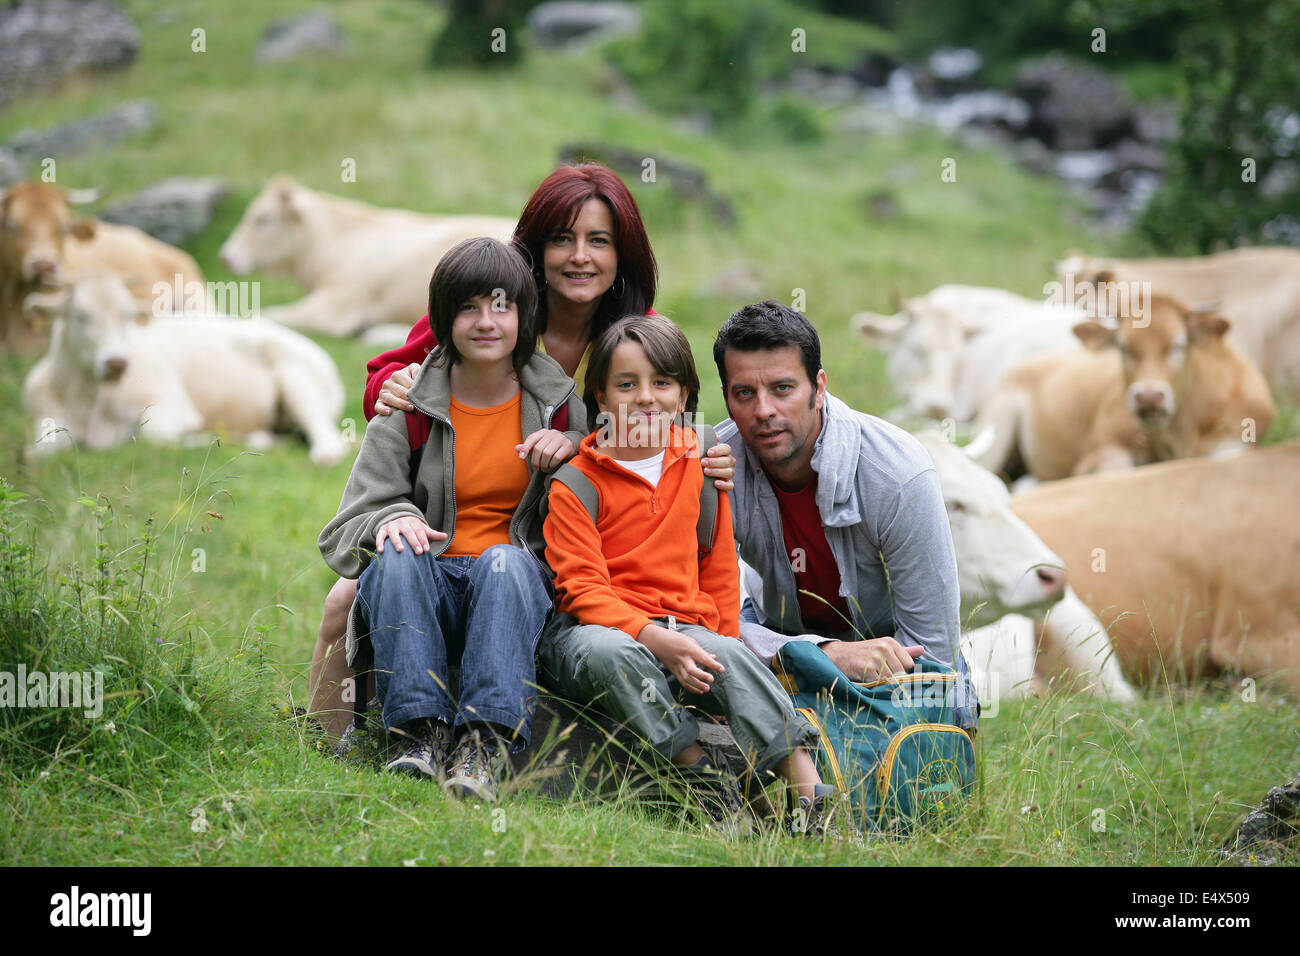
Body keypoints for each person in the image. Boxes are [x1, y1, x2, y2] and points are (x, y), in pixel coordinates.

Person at [309, 163, 736, 738]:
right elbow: (399, 372)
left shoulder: (635, 333)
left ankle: (484, 733)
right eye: (562, 239)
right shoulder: (495, 308)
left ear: (623, 254)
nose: (579, 257)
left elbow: (670, 420)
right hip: (451, 532)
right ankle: (334, 737)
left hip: (570, 542)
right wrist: (387, 391)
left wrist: (702, 451)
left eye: (599, 241)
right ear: (535, 248)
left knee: (511, 573)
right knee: (344, 597)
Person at [540, 314, 838, 834]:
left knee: (728, 652)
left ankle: (809, 793)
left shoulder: (702, 461)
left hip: (688, 627)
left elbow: (720, 570)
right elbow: (581, 590)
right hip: (594, 634)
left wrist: (715, 656)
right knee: (618, 653)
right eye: (626, 385)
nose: (645, 398)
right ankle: (698, 773)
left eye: (662, 383)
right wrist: (658, 640)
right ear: (601, 399)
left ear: (684, 395)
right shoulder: (576, 484)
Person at [318, 236, 588, 801]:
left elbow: (601, 491)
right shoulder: (411, 402)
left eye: (501, 305)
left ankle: (483, 745)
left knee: (503, 563)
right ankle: (418, 736)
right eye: (468, 307)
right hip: (430, 578)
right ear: (443, 319)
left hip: (512, 585)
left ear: (523, 315)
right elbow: (344, 528)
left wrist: (571, 448)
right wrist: (390, 518)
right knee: (396, 553)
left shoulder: (558, 402)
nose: (486, 321)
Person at [711, 301, 978, 729]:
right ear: (726, 398)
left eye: (783, 388)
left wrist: (858, 684)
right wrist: (821, 654)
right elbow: (694, 621)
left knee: (920, 747)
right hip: (776, 645)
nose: (763, 411)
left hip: (893, 663)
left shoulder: (898, 473)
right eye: (745, 393)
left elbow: (934, 651)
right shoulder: (713, 469)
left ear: (819, 388)